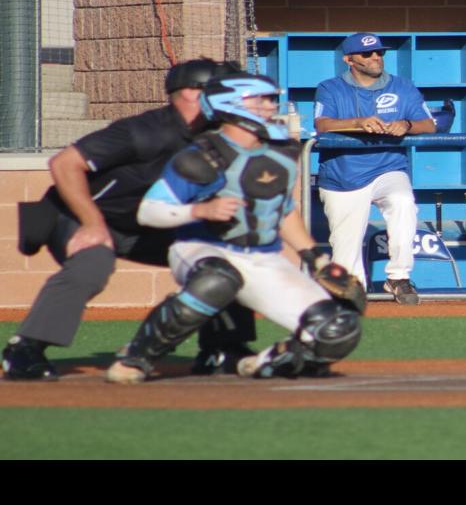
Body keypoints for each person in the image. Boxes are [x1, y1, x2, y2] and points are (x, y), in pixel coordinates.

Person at [5, 58, 259, 381]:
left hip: (148, 226)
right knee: (92, 264)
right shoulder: (145, 130)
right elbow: (64, 164)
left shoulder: (217, 138)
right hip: (80, 216)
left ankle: (223, 348)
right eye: (221, 89)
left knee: (229, 254)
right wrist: (93, 223)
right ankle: (25, 349)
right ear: (190, 93)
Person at [106, 72, 363, 384]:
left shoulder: (280, 152)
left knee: (338, 327)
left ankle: (260, 364)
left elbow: (283, 211)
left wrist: (315, 258)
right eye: (260, 100)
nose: (270, 106)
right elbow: (149, 211)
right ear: (229, 104)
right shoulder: (203, 155)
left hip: (262, 257)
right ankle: (137, 356)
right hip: (204, 247)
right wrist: (201, 210)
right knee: (217, 279)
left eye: (270, 100)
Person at [313, 32, 436, 305]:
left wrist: (407, 124)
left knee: (403, 202)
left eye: (380, 52)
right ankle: (352, 292)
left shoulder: (402, 86)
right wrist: (357, 122)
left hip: (388, 166)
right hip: (343, 173)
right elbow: (322, 124)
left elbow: (429, 125)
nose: (375, 57)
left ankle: (399, 277)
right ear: (349, 60)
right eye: (367, 54)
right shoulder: (330, 88)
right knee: (345, 252)